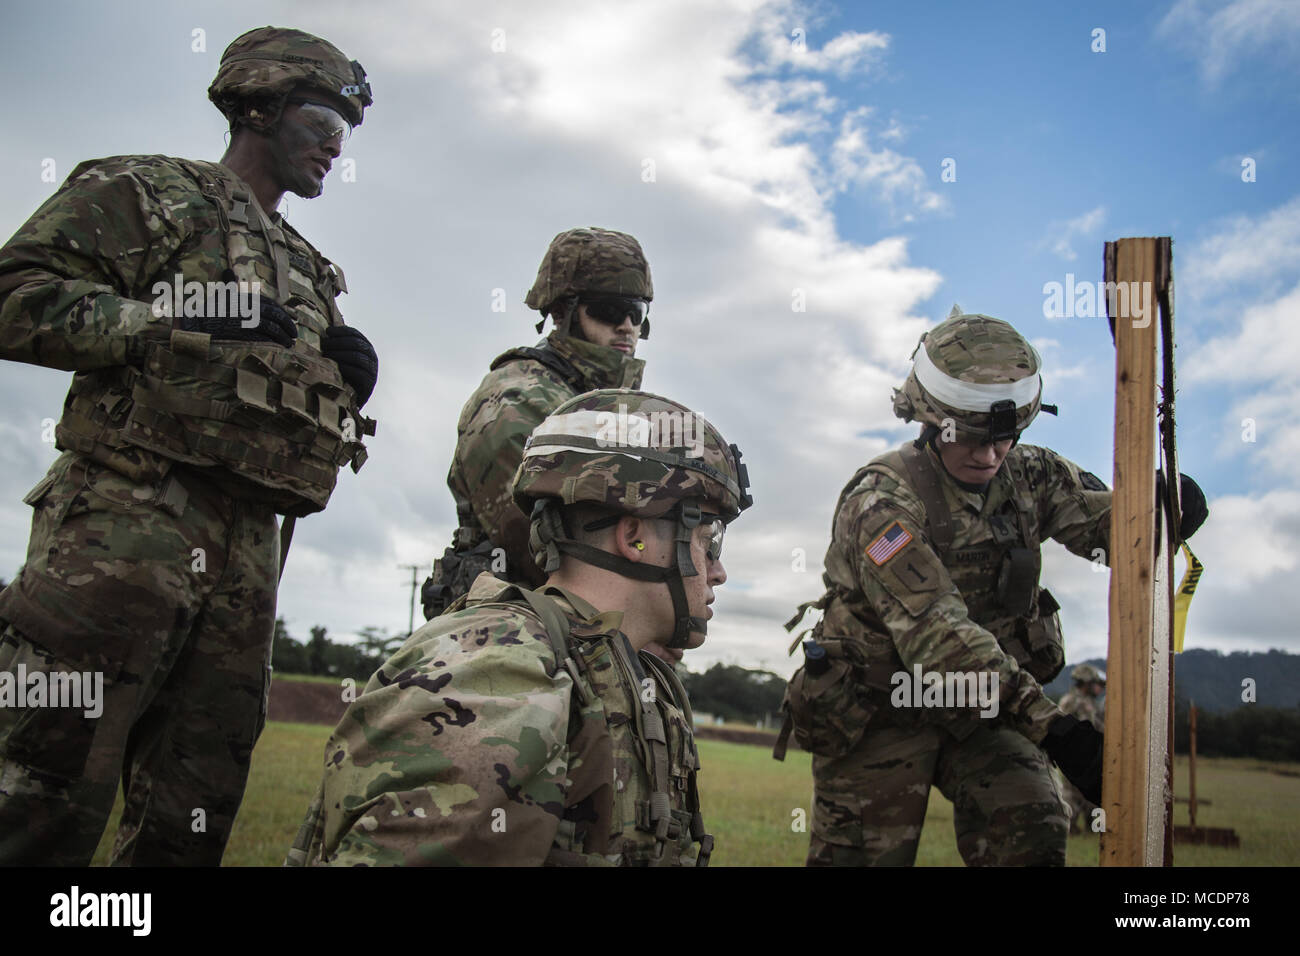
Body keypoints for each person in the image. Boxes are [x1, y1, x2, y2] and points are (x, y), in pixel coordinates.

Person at [0, 26, 378, 866]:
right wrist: (161, 319)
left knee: (192, 810)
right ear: (259, 104)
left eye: (346, 130)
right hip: (121, 529)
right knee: (44, 786)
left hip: (248, 562)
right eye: (322, 117)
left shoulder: (312, 270)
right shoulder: (145, 190)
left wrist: (347, 377)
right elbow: (15, 296)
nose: (334, 143)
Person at [776, 305, 1207, 867]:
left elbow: (1108, 530)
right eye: (972, 438)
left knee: (1033, 820)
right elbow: (939, 634)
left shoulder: (1033, 475)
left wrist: (1156, 510)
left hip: (982, 714)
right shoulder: (880, 502)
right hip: (875, 713)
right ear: (929, 420)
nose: (988, 454)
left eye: (1004, 437)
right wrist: (1057, 731)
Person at [287, 389, 752, 866]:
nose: (718, 571)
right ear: (634, 538)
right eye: (707, 539)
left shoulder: (615, 668)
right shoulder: (500, 669)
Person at [420, 228, 650, 619]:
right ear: (561, 312)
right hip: (509, 630)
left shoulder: (601, 405)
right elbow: (537, 543)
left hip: (581, 627)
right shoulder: (519, 398)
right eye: (609, 310)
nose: (627, 325)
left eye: (637, 312)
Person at [1058, 663, 1106, 833]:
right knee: (1072, 796)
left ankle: (1090, 827)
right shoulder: (1072, 701)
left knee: (1089, 797)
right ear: (1086, 683)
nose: (1099, 688)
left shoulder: (1088, 703)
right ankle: (1066, 827)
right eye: (1096, 684)